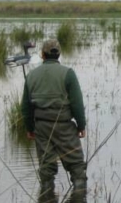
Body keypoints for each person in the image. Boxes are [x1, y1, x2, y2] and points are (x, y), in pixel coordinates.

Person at [21, 38, 87, 193]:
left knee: (46, 169)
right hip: (65, 126)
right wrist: (81, 126)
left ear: (43, 55)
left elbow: (26, 107)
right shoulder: (68, 74)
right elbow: (77, 103)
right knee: (77, 166)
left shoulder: (31, 75)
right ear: (59, 54)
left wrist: (30, 128)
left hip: (42, 128)